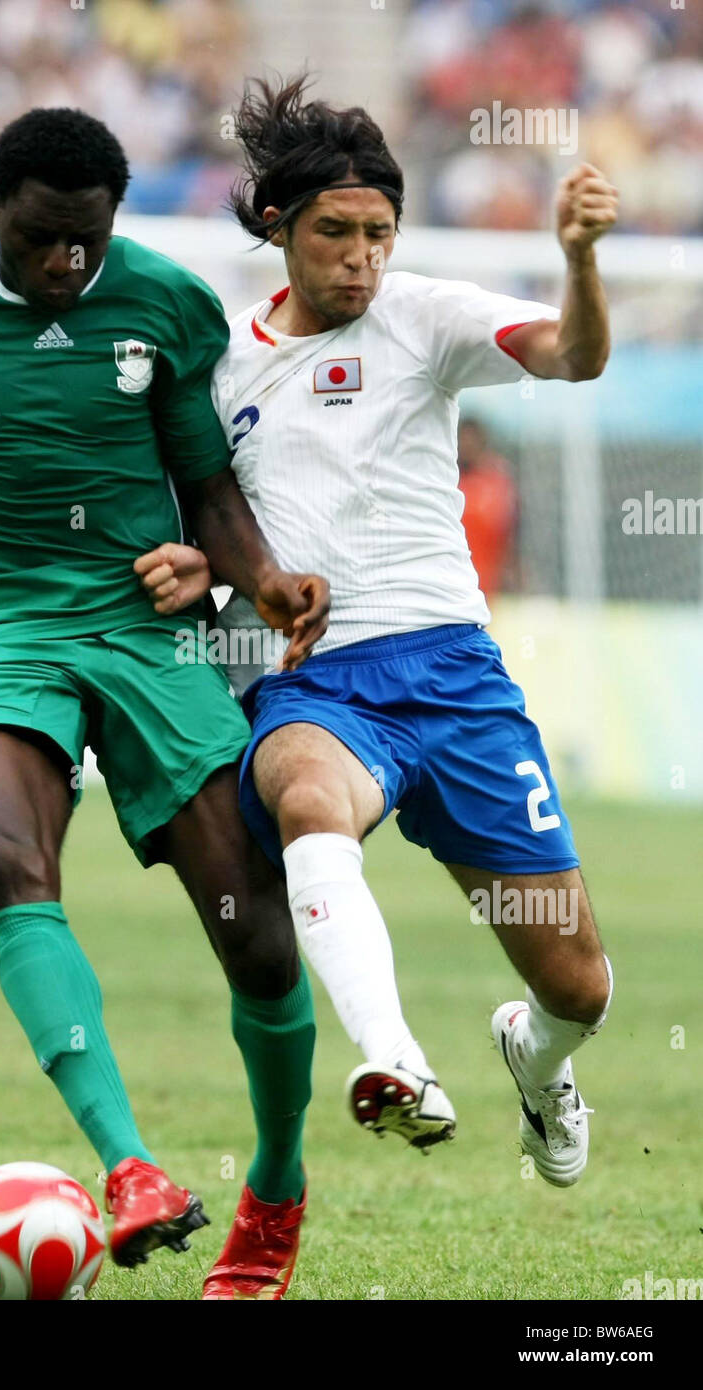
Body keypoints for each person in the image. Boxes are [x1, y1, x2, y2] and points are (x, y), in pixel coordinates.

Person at [137, 77, 618, 1292]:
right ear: (279, 229)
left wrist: (577, 261)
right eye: (335, 234)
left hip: (454, 675)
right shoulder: (219, 373)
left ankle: (534, 1061)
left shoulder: (425, 316)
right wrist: (210, 570)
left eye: (378, 234)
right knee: (303, 793)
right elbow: (215, 532)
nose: (361, 259)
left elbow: (571, 357)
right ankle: (397, 1060)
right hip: (322, 681)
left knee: (578, 987)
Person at [0, 106, 328, 1284]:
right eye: (40, 242)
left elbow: (204, 477)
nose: (67, 265)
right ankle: (129, 1167)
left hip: (151, 634)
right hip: (12, 626)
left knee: (259, 940)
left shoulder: (166, 303)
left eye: (88, 241)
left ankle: (275, 1181)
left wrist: (255, 576)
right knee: (4, 855)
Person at [457, 417, 518, 602]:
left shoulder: (497, 480)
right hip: (452, 574)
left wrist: (513, 565)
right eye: (463, 439)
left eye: (472, 439)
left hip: (488, 577)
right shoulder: (447, 479)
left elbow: (511, 526)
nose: (467, 445)